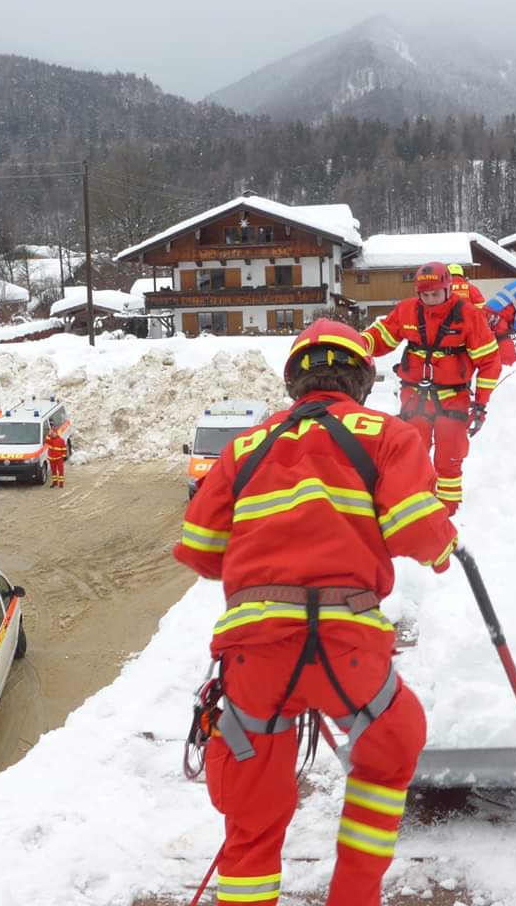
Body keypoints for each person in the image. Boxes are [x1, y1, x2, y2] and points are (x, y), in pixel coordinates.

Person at [173, 319, 458, 906]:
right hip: (346, 643)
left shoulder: (244, 447)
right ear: (360, 379)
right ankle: (354, 896)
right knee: (390, 748)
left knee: (253, 798)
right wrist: (444, 544)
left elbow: (201, 551)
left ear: (293, 383)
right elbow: (413, 528)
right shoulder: (387, 433)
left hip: (255, 650)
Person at [360, 264, 500, 515]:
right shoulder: (407, 311)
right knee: (413, 455)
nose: (430, 300)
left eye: (435, 294)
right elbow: (380, 338)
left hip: (453, 399)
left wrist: (480, 405)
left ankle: (447, 513)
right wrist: (355, 344)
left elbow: (489, 362)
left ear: (448, 289)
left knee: (450, 459)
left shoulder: (468, 315)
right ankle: (417, 508)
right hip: (415, 397)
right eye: (424, 295)